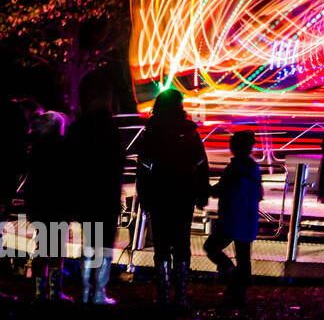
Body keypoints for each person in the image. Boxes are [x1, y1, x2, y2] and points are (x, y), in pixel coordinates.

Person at [136, 88, 209, 308]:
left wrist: (144, 194)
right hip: (183, 193)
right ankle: (181, 296)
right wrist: (201, 192)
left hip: (159, 194)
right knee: (182, 243)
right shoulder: (189, 132)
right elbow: (201, 164)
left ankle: (163, 294)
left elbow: (144, 167)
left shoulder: (151, 132)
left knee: (160, 244)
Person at [67, 75, 125, 304]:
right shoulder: (110, 127)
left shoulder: (79, 126)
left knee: (89, 242)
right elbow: (117, 162)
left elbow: (71, 160)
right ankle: (99, 291)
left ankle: (84, 289)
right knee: (104, 243)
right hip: (106, 194)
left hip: (85, 194)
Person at [203, 130, 262, 307]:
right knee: (243, 255)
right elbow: (259, 194)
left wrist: (203, 188)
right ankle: (239, 292)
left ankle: (231, 273)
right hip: (249, 216)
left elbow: (220, 190)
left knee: (211, 246)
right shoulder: (254, 168)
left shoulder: (234, 169)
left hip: (231, 217)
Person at [22, 99, 72, 300]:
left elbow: (32, 179)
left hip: (40, 204)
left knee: (40, 248)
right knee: (57, 249)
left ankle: (38, 290)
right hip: (58, 204)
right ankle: (55, 291)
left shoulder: (36, 148)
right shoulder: (64, 148)